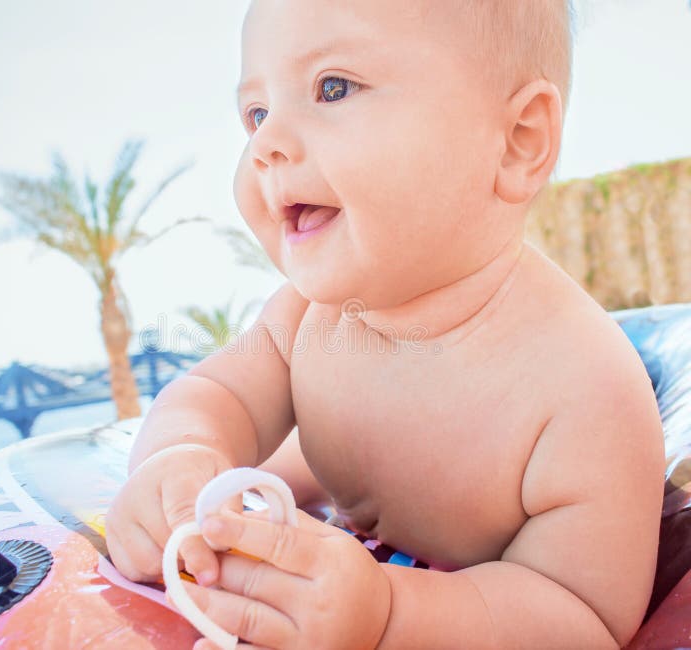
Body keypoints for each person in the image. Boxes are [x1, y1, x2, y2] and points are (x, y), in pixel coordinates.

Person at [106, 1, 666, 647]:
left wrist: (391, 614)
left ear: (518, 140)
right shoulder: (304, 313)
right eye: (257, 112)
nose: (264, 144)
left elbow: (585, 614)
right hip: (335, 505)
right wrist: (178, 459)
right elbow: (216, 393)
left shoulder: (585, 390)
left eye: (332, 88)